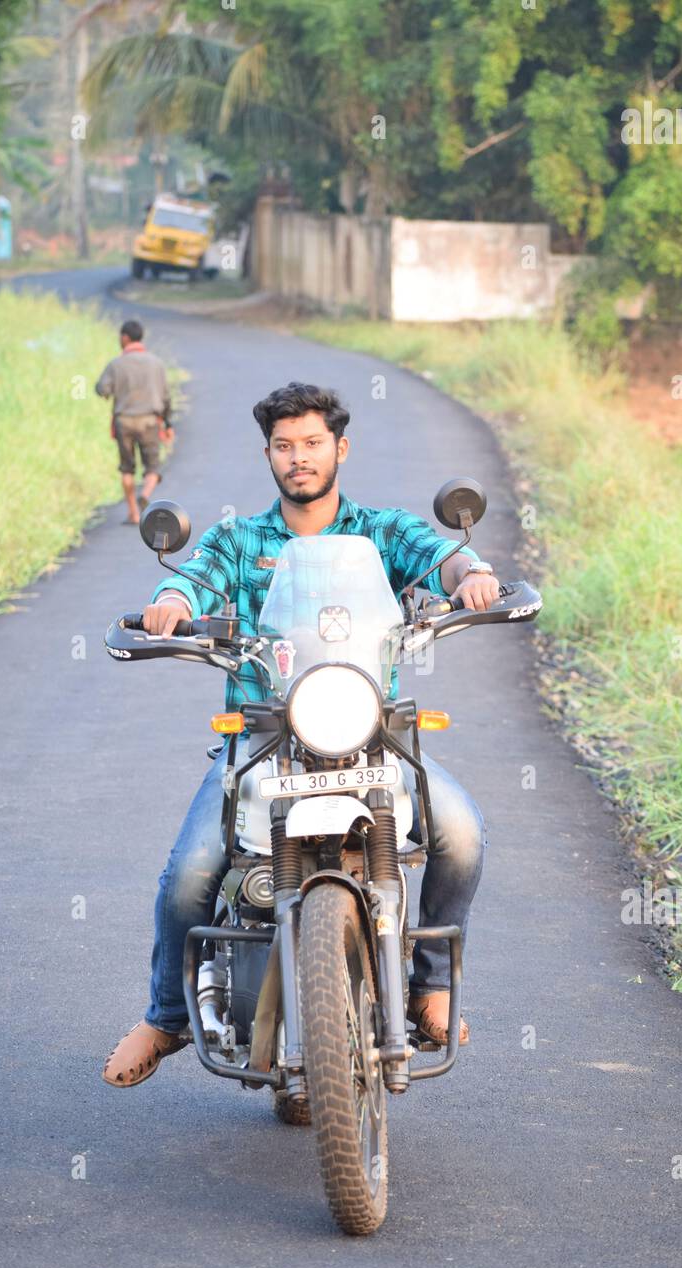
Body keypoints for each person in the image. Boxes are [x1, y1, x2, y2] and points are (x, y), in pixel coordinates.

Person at [102, 382, 500, 1088]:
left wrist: (473, 575)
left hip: (373, 736)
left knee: (462, 833)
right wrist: (170, 602)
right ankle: (165, 1017)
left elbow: (443, 557)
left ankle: (432, 985)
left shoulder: (382, 530)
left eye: (313, 442)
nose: (299, 458)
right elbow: (195, 580)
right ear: (269, 457)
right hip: (260, 742)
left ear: (340, 448)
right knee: (188, 876)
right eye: (284, 446)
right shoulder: (239, 538)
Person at [95, 319, 173, 525]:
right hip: (149, 421)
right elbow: (166, 397)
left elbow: (102, 389)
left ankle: (133, 513)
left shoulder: (116, 364)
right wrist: (168, 424)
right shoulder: (156, 363)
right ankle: (145, 493)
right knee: (153, 468)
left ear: (124, 338)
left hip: (124, 422)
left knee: (127, 469)